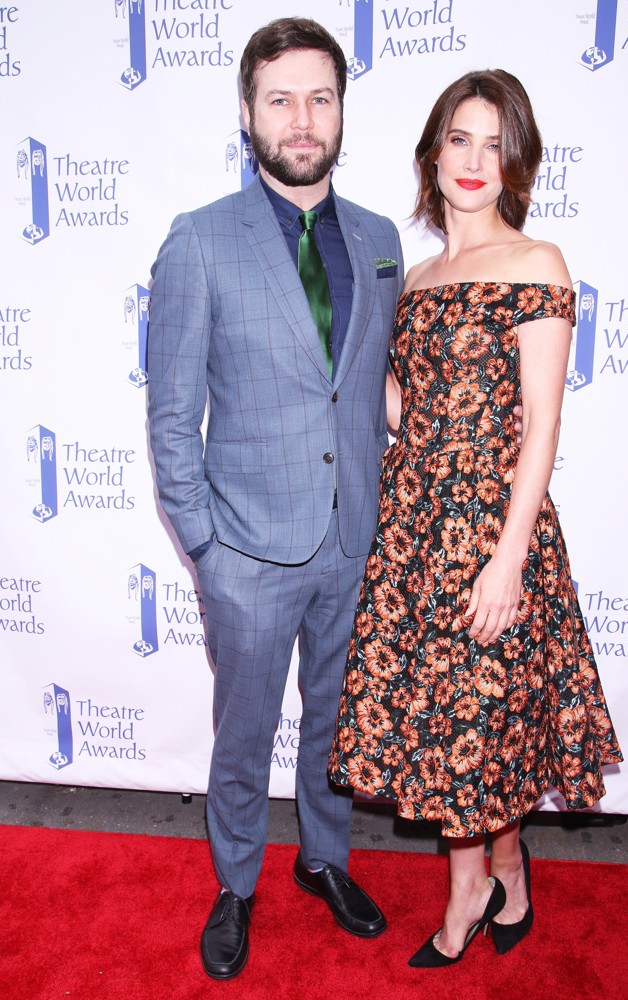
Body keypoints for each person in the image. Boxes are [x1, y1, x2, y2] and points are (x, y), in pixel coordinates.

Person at [328, 69, 623, 968]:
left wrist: (507, 558)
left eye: (495, 144)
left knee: (476, 725)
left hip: (496, 533)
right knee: (467, 726)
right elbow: (409, 411)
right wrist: (332, 352)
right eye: (460, 138)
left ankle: (466, 896)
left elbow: (542, 426)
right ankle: (510, 868)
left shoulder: (538, 265)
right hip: (418, 530)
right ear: (432, 150)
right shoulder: (418, 276)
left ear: (516, 162)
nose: (474, 160)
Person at [147, 18, 404, 980]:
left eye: (321, 97)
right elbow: (172, 416)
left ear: (342, 109)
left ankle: (326, 860)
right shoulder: (200, 242)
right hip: (246, 554)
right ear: (248, 112)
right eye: (282, 99)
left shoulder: (379, 241)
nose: (303, 119)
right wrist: (209, 550)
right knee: (244, 730)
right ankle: (237, 882)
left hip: (353, 541)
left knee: (337, 719)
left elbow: (368, 384)